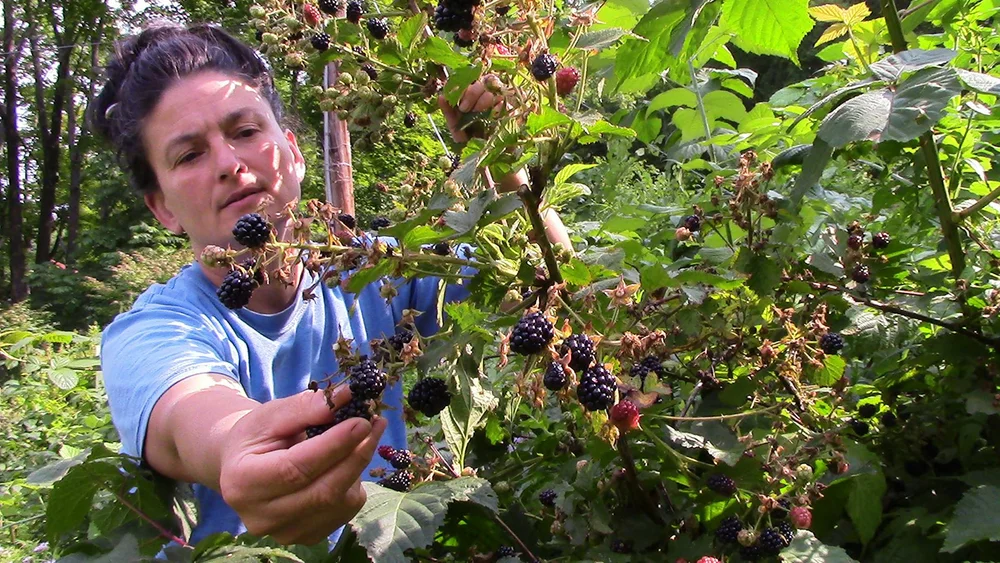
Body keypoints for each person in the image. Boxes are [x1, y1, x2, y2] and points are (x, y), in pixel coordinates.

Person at [90, 21, 570, 549]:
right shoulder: (153, 332)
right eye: (189, 155)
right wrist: (238, 448)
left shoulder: (380, 268)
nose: (229, 164)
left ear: (293, 153)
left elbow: (550, 280)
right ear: (162, 208)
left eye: (245, 131)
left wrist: (500, 160)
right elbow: (196, 415)